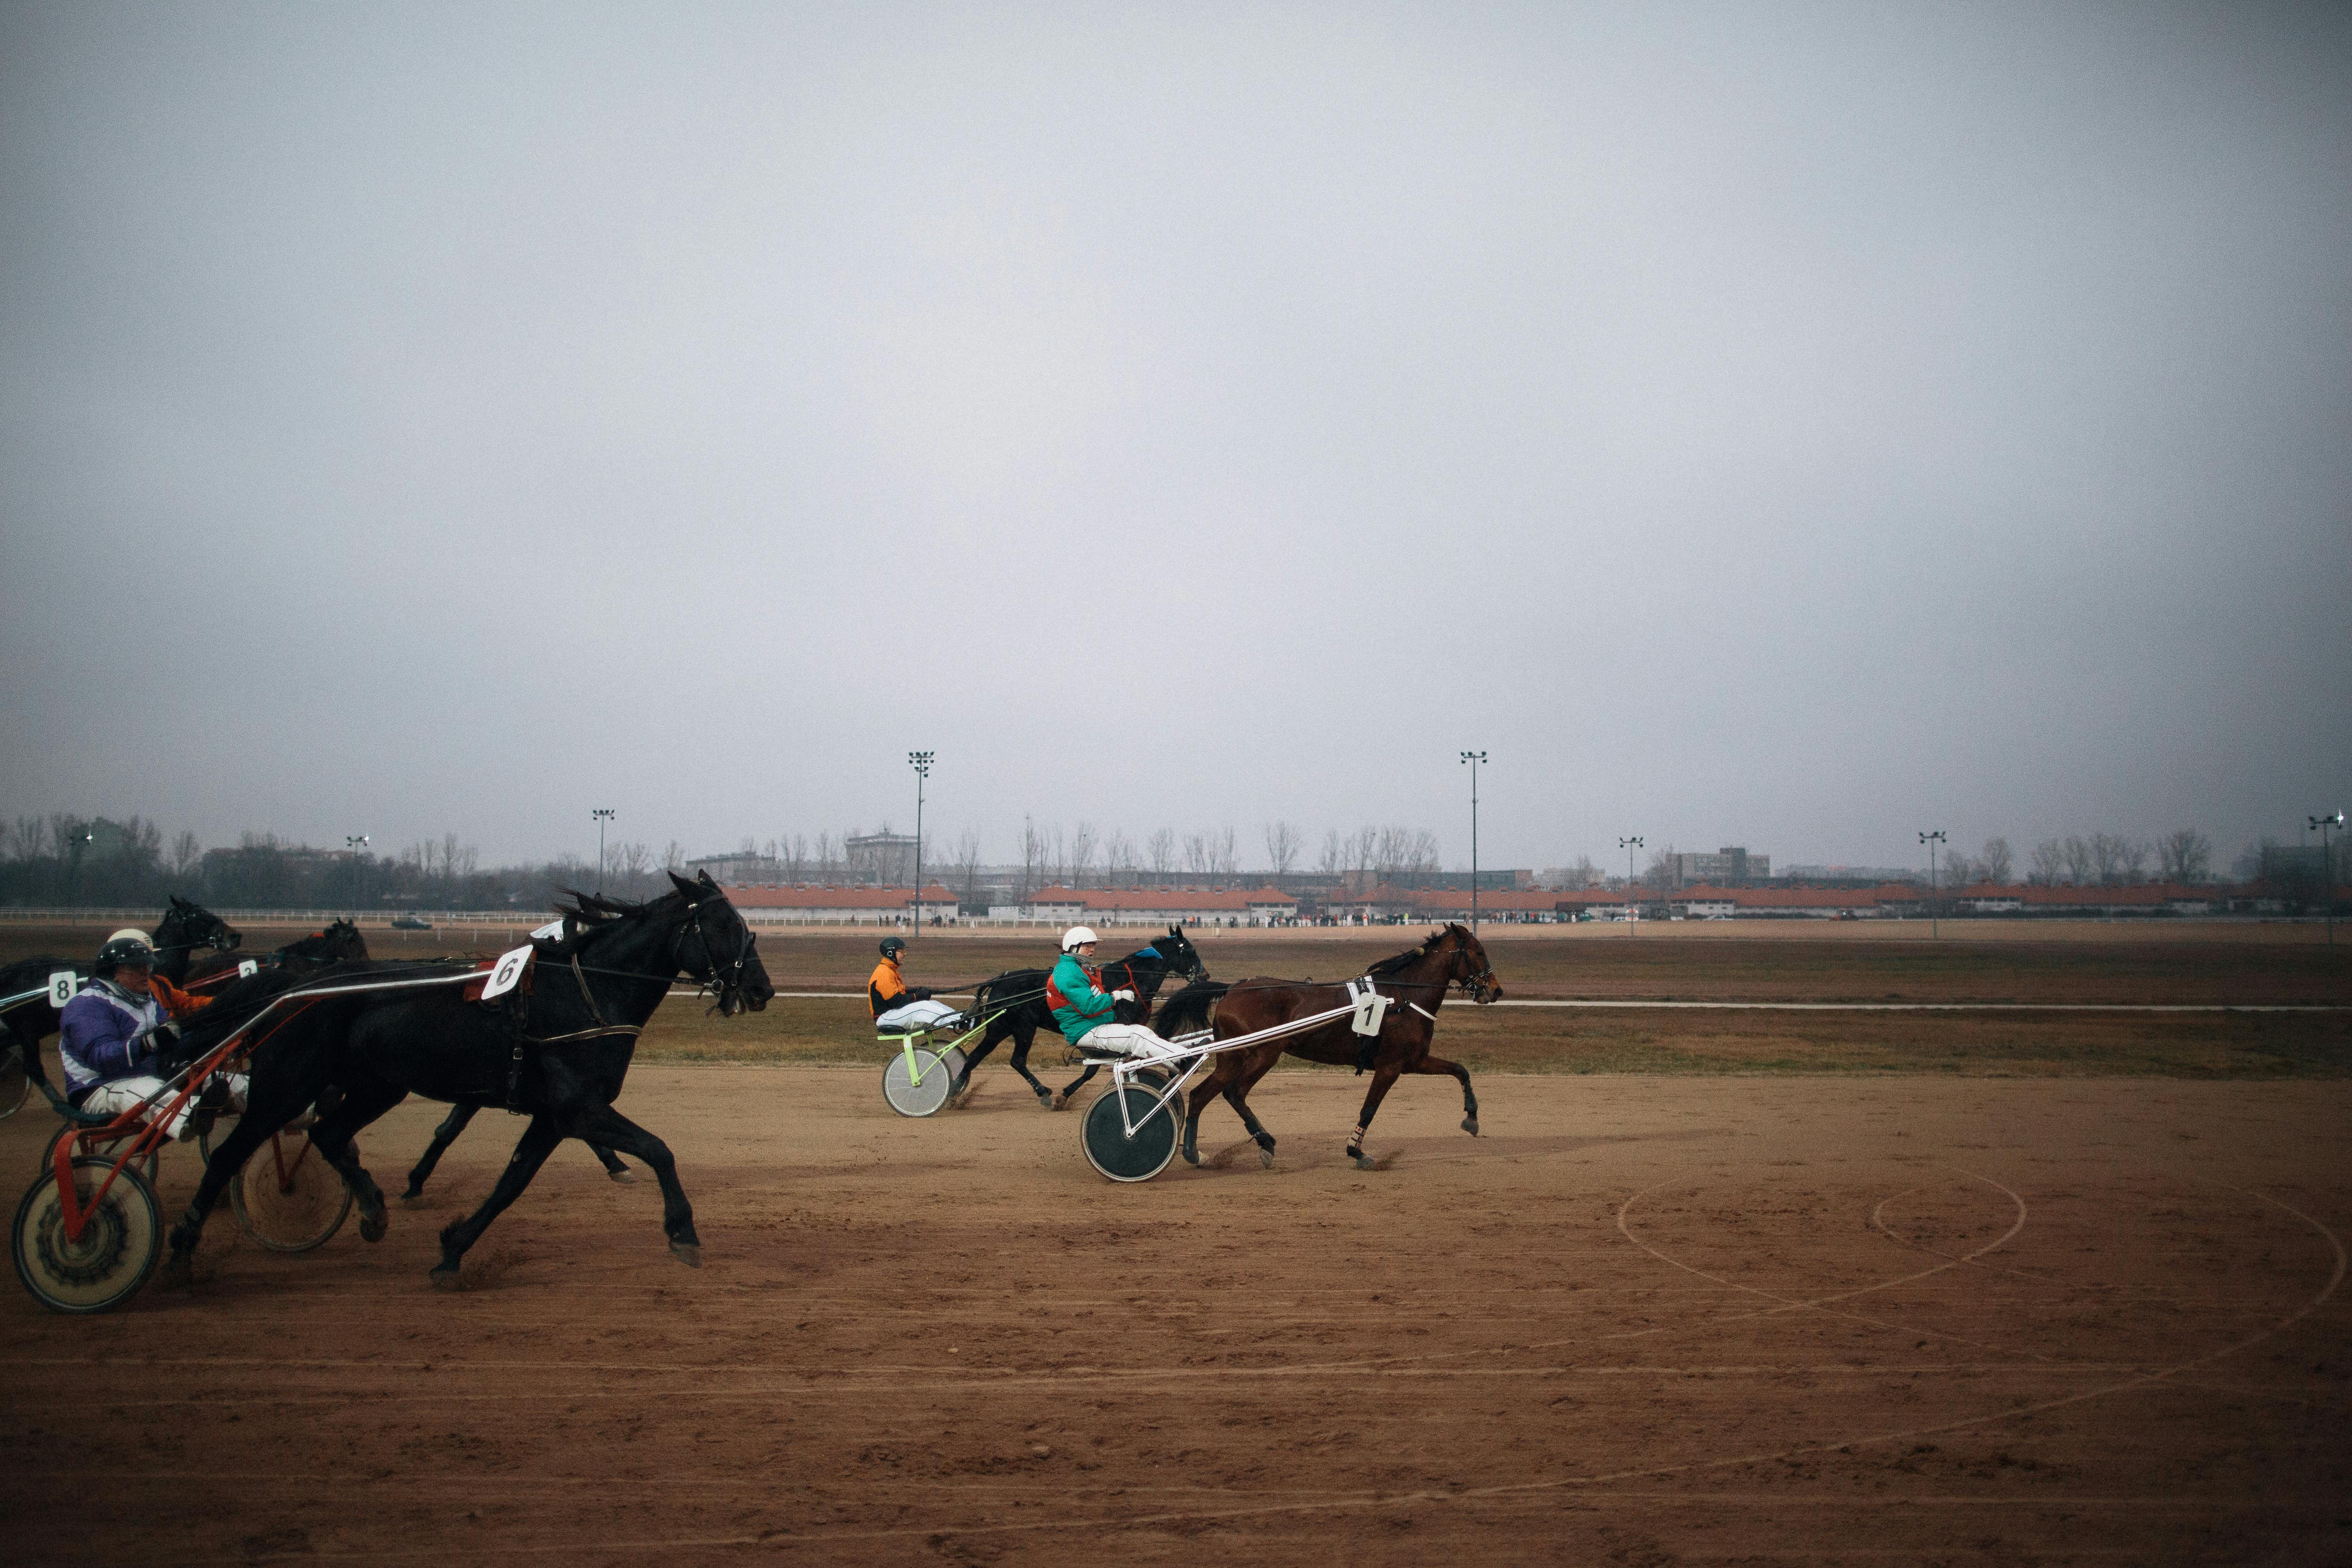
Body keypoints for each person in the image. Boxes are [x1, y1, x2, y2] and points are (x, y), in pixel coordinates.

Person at [56, 933, 232, 1139]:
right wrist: (148, 1044)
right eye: (136, 967)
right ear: (113, 973)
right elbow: (100, 1056)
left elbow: (168, 1041)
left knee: (216, 1077)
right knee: (147, 1090)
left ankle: (260, 1100)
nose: (146, 972)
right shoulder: (87, 1004)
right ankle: (190, 1120)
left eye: (147, 966)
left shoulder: (147, 1000)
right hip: (96, 1088)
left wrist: (208, 1037)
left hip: (148, 1077)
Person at [1048, 925, 1181, 1062]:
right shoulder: (1069, 972)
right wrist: (1115, 997)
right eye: (1087, 946)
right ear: (1073, 948)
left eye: (1093, 946)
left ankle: (1181, 1062)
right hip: (1086, 1031)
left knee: (1143, 1032)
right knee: (1137, 1037)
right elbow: (1089, 1007)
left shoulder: (1076, 969)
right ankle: (1184, 1058)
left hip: (1092, 1026)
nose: (1092, 950)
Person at [869, 935, 959, 1032]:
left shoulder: (890, 971)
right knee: (924, 1007)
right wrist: (918, 996)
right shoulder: (883, 973)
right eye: (902, 951)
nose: (905, 954)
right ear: (890, 953)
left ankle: (961, 1019)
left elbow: (900, 994)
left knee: (933, 1003)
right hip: (886, 1018)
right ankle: (958, 1023)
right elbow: (897, 1002)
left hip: (892, 1014)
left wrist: (916, 992)